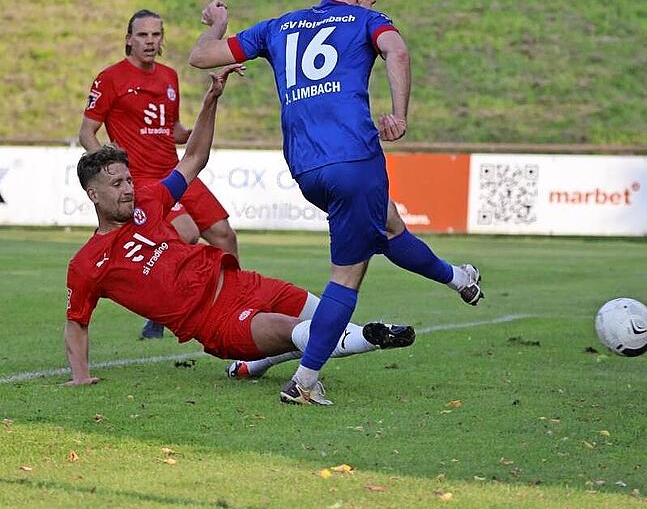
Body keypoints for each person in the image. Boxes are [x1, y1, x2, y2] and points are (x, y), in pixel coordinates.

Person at [188, 0, 482, 406]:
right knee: (348, 275)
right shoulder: (368, 20)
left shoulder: (278, 26)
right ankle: (304, 381)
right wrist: (400, 115)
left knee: (386, 229)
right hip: (355, 159)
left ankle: (459, 279)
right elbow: (397, 51)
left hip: (307, 169)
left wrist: (219, 23)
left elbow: (201, 57)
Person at [66, 68, 415, 401]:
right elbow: (77, 322)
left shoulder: (149, 200)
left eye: (128, 179)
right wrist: (80, 376)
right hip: (216, 321)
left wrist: (210, 100)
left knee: (326, 313)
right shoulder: (87, 264)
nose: (128, 189)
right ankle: (373, 336)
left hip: (243, 282)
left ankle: (264, 361)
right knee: (292, 330)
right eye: (116, 184)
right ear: (93, 194)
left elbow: (193, 159)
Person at [79, 9, 240, 340]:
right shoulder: (110, 78)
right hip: (142, 180)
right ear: (128, 39)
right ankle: (163, 309)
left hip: (176, 171)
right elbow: (87, 133)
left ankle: (236, 302)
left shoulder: (169, 76)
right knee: (185, 231)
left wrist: (202, 126)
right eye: (142, 35)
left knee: (225, 234)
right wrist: (111, 172)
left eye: (156, 34)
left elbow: (173, 129)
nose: (150, 41)